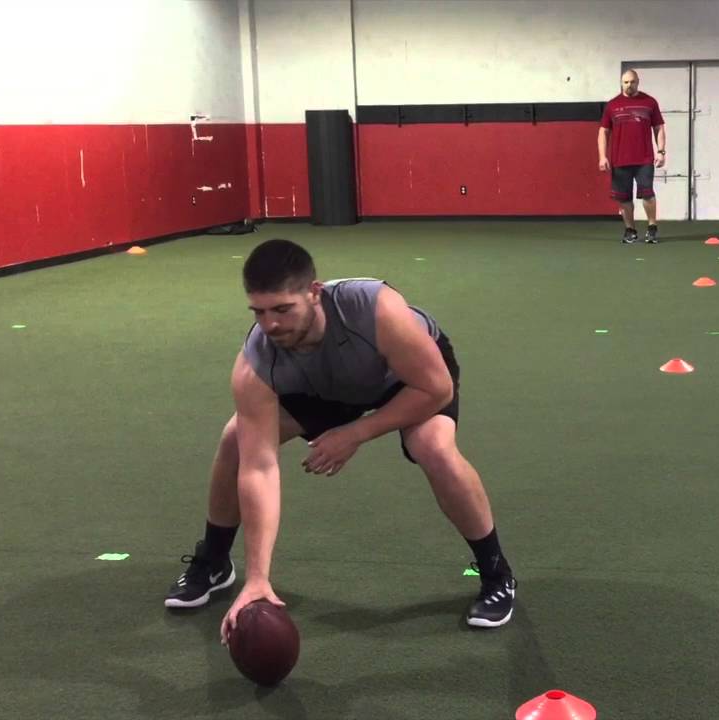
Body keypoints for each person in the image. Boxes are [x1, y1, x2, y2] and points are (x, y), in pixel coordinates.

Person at [162, 239, 517, 640]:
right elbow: (259, 467)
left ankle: (496, 574)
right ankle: (214, 562)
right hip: (325, 388)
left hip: (405, 379)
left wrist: (355, 433)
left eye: (282, 309)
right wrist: (258, 579)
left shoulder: (374, 308)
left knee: (433, 447)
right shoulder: (256, 363)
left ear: (314, 293)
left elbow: (435, 390)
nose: (271, 325)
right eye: (259, 312)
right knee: (235, 441)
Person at [598, 70, 666, 244]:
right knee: (623, 198)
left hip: (644, 159)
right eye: (626, 82)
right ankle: (630, 230)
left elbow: (659, 128)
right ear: (621, 83)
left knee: (648, 194)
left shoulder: (649, 102)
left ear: (638, 82)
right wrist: (602, 156)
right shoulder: (612, 105)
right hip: (620, 159)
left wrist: (661, 151)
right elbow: (603, 132)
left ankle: (652, 229)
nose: (629, 85)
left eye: (632, 82)